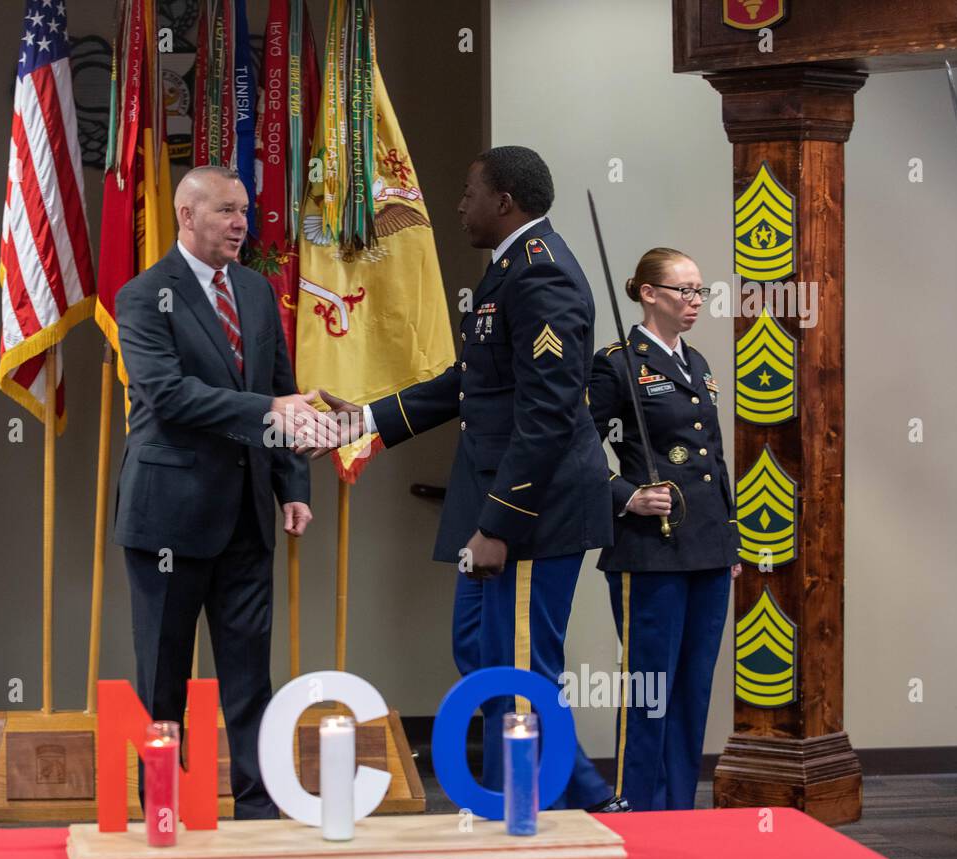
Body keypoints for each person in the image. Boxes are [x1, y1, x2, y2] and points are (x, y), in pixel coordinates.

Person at [320, 146, 622, 810]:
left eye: (468, 192)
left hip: (532, 515)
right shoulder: (510, 271)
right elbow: (473, 383)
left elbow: (545, 416)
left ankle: (528, 806)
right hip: (496, 503)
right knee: (479, 652)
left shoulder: (542, 277)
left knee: (516, 669)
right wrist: (367, 419)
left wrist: (497, 527)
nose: (459, 205)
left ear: (504, 201)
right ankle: (563, 791)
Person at [114, 165, 333, 819]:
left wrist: (293, 482)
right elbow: (170, 396)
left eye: (245, 211)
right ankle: (163, 809)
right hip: (168, 519)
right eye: (227, 211)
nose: (243, 223)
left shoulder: (258, 291)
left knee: (249, 677)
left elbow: (282, 385)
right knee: (163, 676)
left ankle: (259, 809)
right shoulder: (142, 295)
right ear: (187, 214)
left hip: (248, 515)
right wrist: (270, 410)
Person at [588, 247, 741, 811]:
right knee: (651, 689)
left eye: (700, 290)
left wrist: (729, 538)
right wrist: (626, 496)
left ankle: (680, 810)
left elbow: (714, 458)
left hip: (706, 549)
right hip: (650, 551)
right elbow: (577, 446)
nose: (695, 300)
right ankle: (640, 808)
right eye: (683, 290)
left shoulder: (696, 363)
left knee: (693, 688)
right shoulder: (616, 363)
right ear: (649, 293)